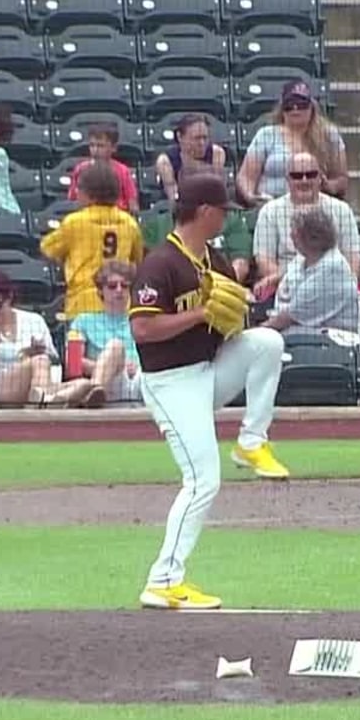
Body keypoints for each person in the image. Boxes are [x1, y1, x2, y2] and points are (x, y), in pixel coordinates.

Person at [131, 173, 290, 611]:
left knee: (266, 344)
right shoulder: (161, 263)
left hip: (206, 371)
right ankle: (163, 580)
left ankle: (251, 442)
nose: (227, 219)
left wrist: (236, 318)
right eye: (223, 211)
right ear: (204, 212)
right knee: (202, 480)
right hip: (170, 383)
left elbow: (229, 322)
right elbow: (142, 328)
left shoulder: (213, 260)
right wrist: (201, 313)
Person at [0, 271, 102, 408]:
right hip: (0, 389)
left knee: (85, 385)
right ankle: (44, 404)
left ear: (9, 298)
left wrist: (38, 351)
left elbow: (54, 361)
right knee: (40, 360)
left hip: (39, 383)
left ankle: (46, 400)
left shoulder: (33, 320)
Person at [39, 159, 145, 319]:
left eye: (79, 188)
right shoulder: (129, 223)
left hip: (82, 304)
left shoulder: (75, 222)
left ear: (90, 194)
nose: (76, 193)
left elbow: (46, 249)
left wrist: (65, 260)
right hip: (119, 302)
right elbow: (137, 261)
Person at [237, 81, 349, 206]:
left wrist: (329, 186)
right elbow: (246, 177)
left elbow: (342, 180)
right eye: (289, 105)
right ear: (282, 109)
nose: (295, 108)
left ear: (312, 107)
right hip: (271, 206)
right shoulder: (266, 135)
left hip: (316, 206)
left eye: (301, 104)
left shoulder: (329, 135)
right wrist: (252, 198)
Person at [263, 207, 360, 341]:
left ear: (311, 236)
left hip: (330, 345)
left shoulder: (332, 268)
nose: (292, 235)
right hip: (299, 338)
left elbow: (288, 317)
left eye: (296, 231)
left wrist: (258, 330)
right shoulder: (301, 260)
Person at [67, 260, 143, 405]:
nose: (119, 290)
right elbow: (73, 363)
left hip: (141, 380)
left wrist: (138, 368)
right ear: (100, 290)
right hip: (110, 383)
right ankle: (94, 391)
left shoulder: (140, 320)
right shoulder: (83, 321)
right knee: (115, 347)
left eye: (125, 286)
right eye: (112, 286)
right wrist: (110, 367)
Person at [64, 122, 139, 213]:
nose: (95, 150)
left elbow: (133, 205)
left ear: (113, 147)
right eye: (92, 145)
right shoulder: (80, 169)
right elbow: (73, 201)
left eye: (100, 146)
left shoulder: (123, 171)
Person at [154, 113, 228, 203]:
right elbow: (173, 196)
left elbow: (217, 190)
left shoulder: (217, 153)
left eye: (205, 138)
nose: (202, 143)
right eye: (196, 138)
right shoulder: (165, 162)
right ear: (180, 137)